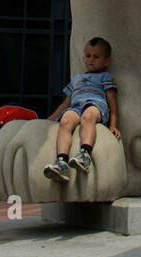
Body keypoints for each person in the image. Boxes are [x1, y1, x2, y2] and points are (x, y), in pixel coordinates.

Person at [43, 38, 120, 184]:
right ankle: (62, 163)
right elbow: (65, 104)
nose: (91, 60)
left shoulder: (105, 77)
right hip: (76, 106)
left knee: (88, 116)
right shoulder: (77, 78)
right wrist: (50, 119)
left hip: (96, 104)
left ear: (107, 61)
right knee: (66, 120)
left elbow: (113, 102)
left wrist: (114, 124)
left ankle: (85, 155)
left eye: (96, 57)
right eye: (88, 55)